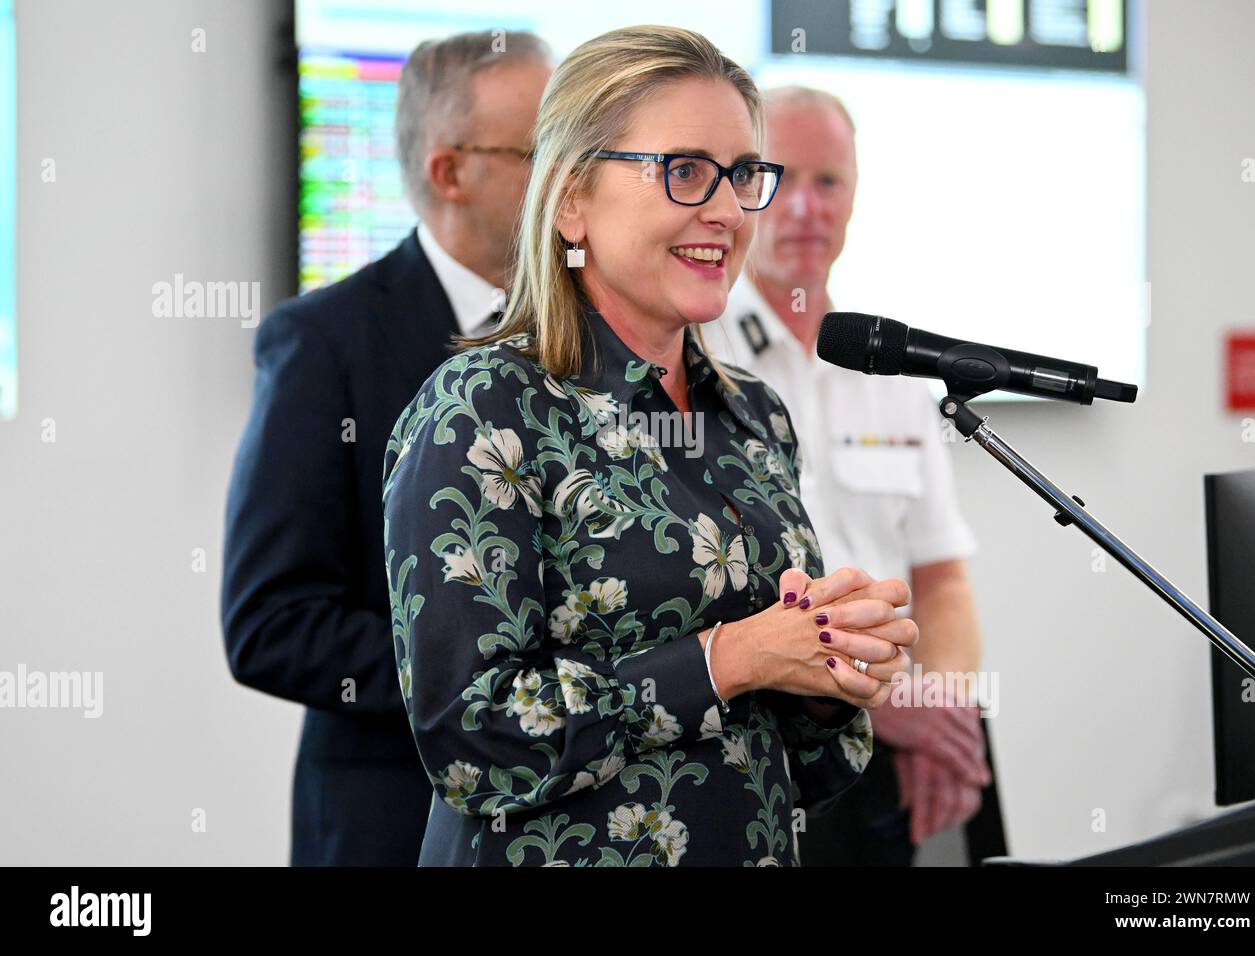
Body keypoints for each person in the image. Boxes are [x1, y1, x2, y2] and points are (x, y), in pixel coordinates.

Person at [382, 25, 922, 868]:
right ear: (570, 198)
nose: (724, 210)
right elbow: (472, 740)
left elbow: (809, 767)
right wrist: (730, 658)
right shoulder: (484, 408)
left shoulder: (754, 416)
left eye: (744, 175)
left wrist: (829, 670)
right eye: (684, 170)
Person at [220, 31, 551, 866]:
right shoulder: (323, 342)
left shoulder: (583, 344)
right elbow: (271, 624)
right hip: (392, 827)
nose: (572, 179)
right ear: (449, 172)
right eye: (542, 151)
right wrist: (488, 684)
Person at [700, 86, 992, 866]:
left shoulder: (893, 371)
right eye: (782, 178)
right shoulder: (692, 358)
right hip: (754, 753)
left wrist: (941, 710)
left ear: (855, 194)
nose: (804, 207)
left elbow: (943, 581)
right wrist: (880, 698)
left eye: (828, 182)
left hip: (884, 764)